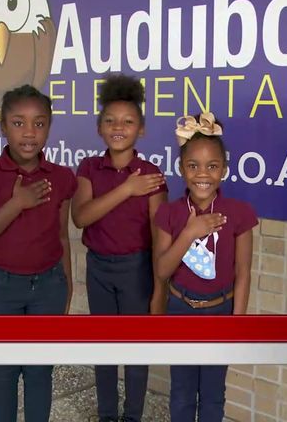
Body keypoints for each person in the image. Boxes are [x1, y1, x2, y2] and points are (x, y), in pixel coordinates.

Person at [0, 84, 77, 422]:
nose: (30, 133)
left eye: (39, 123)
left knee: (40, 371)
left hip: (48, 287)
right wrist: (17, 203)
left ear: (50, 126)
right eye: (19, 123)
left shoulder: (61, 177)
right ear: (2, 127)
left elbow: (61, 236)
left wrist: (66, 286)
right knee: (5, 371)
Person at [71, 74, 167, 422]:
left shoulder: (152, 175)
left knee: (136, 350)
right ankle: (107, 415)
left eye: (128, 122)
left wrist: (159, 289)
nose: (118, 128)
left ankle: (132, 417)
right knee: (105, 347)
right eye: (110, 121)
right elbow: (81, 217)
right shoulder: (89, 168)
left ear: (141, 129)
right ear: (99, 127)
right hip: (99, 268)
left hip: (136, 271)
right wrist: (126, 189)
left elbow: (159, 238)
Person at [153, 113, 257, 422]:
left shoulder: (239, 213)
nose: (203, 174)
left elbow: (243, 272)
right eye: (193, 166)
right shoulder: (169, 214)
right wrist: (189, 233)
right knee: (182, 393)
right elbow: (161, 271)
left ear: (224, 170)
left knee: (213, 395)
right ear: (181, 169)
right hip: (180, 309)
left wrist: (237, 324)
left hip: (220, 313)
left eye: (212, 166)